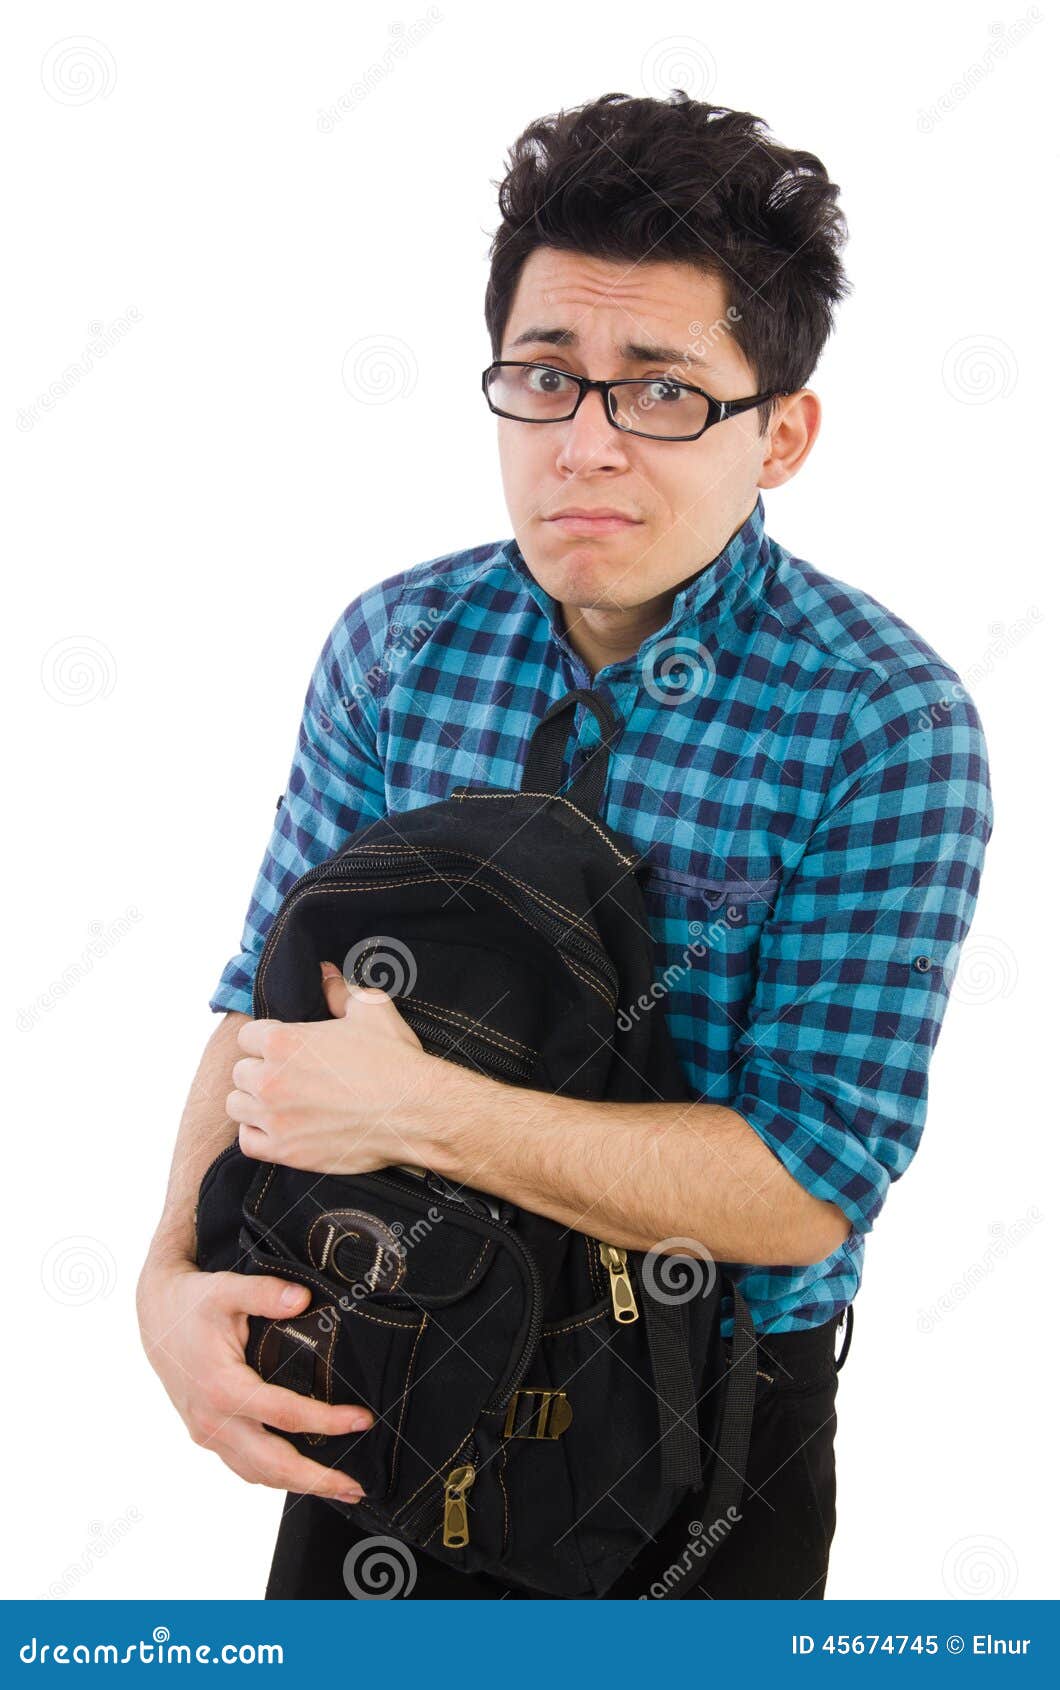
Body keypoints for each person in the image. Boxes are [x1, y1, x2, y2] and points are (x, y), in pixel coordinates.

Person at [137, 91, 992, 1600]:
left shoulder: (881, 722)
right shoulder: (399, 647)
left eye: (661, 391)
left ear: (781, 431)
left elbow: (810, 1175)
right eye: (547, 377)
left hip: (714, 1439)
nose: (585, 444)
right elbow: (257, 1000)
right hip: (381, 1350)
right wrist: (171, 1276)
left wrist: (427, 1107)